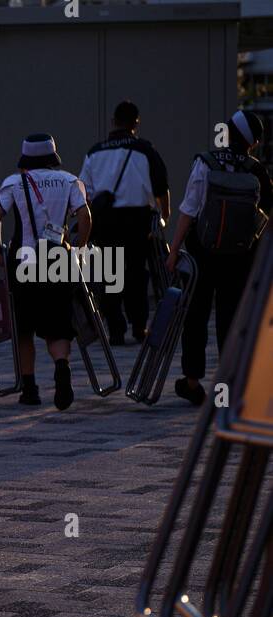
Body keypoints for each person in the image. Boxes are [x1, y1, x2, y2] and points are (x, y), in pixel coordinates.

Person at [168, 109, 273, 405]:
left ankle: (191, 382)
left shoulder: (206, 162)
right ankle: (227, 388)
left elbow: (190, 209)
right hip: (240, 256)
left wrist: (174, 250)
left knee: (196, 315)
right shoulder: (256, 169)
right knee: (231, 318)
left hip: (203, 253)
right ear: (252, 143)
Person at [0, 133, 92, 411]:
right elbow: (85, 216)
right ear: (52, 156)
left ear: (26, 157)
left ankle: (30, 388)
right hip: (58, 258)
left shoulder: (13, 183)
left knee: (24, 326)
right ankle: (62, 369)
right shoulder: (70, 180)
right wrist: (79, 248)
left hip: (23, 259)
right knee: (57, 322)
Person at [79, 101, 170, 345]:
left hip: (106, 220)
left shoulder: (94, 151)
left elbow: (84, 192)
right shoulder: (144, 149)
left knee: (110, 274)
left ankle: (116, 330)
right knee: (137, 274)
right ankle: (139, 327)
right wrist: (165, 214)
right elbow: (161, 185)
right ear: (136, 123)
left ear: (113, 121)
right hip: (138, 219)